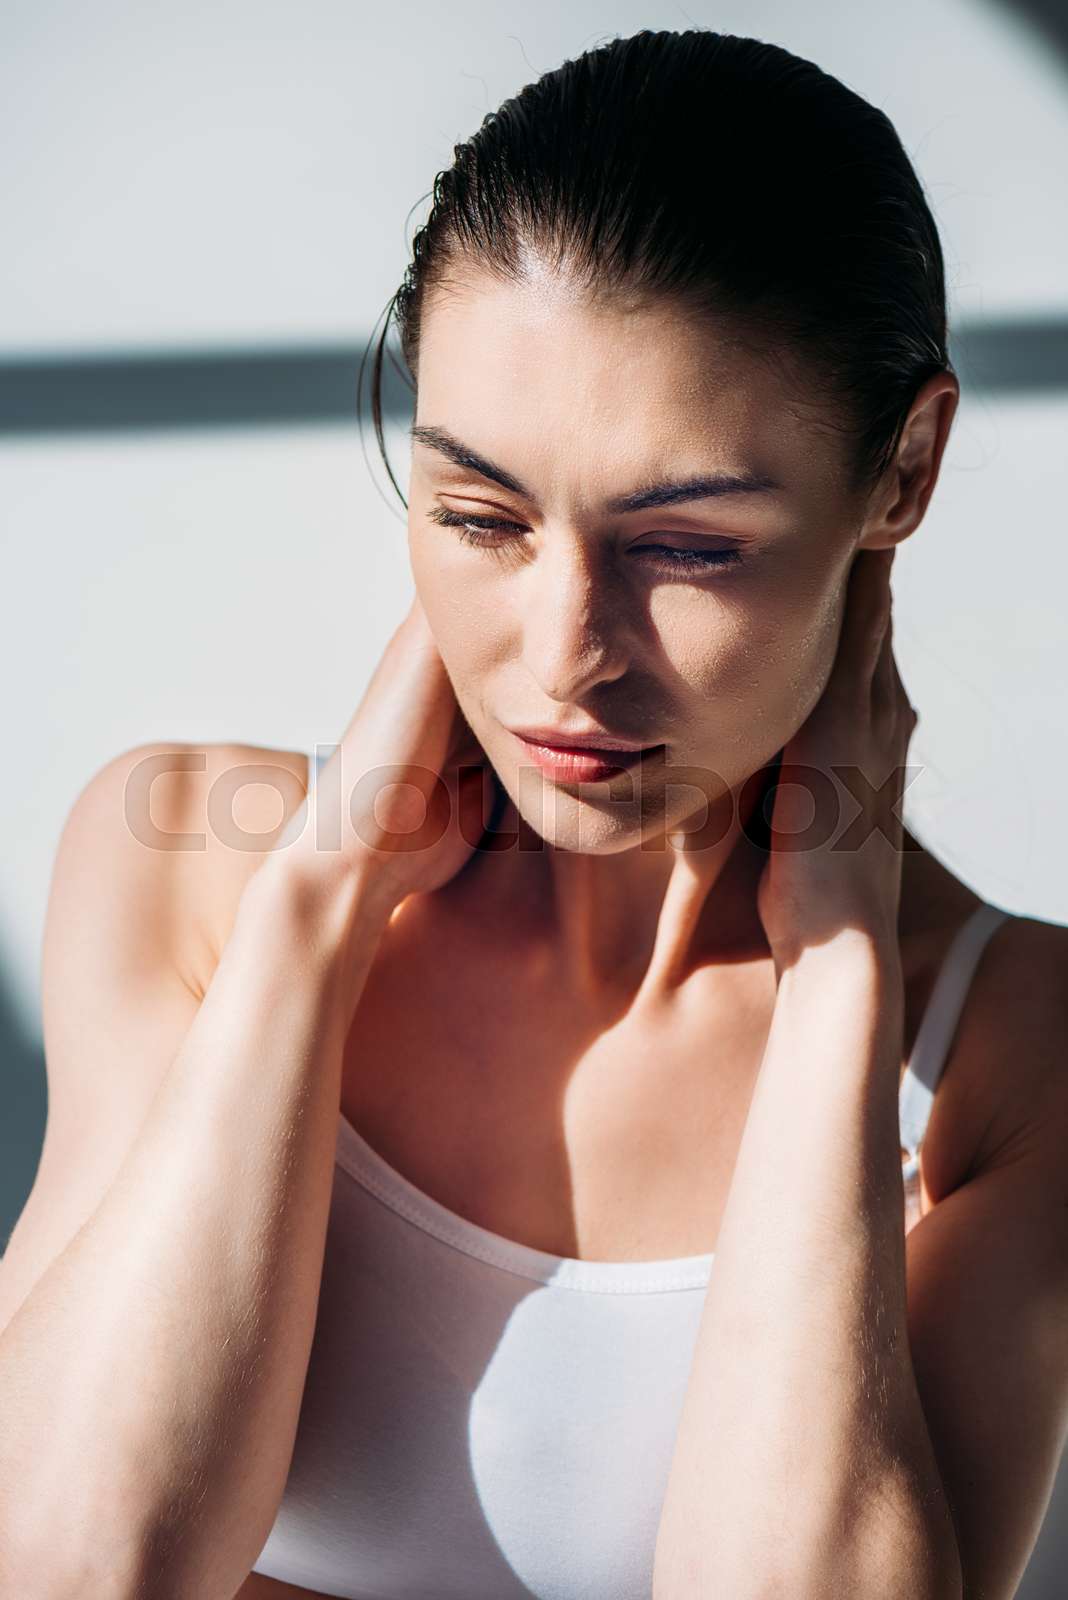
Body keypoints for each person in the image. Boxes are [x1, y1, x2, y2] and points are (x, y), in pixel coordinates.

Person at [1, 27, 1065, 1600]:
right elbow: (83, 1563)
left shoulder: (1012, 1055)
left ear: (901, 470)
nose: (564, 654)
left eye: (687, 545)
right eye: (480, 516)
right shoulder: (191, 883)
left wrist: (837, 966)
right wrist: (317, 910)